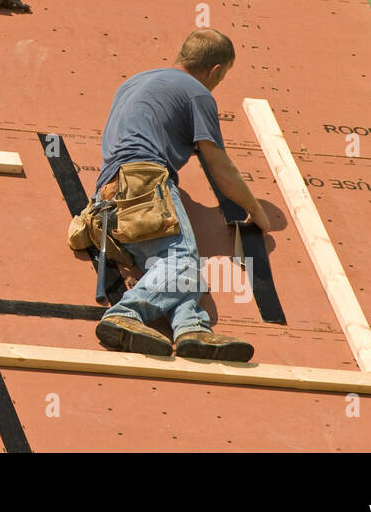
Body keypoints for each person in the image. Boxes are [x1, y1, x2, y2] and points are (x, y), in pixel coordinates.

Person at [92, 28, 270, 362]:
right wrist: (255, 211)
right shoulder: (196, 92)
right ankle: (126, 314)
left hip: (108, 196)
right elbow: (218, 164)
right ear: (215, 70)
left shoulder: (134, 82)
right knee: (183, 262)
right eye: (222, 76)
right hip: (144, 180)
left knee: (166, 266)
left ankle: (191, 328)